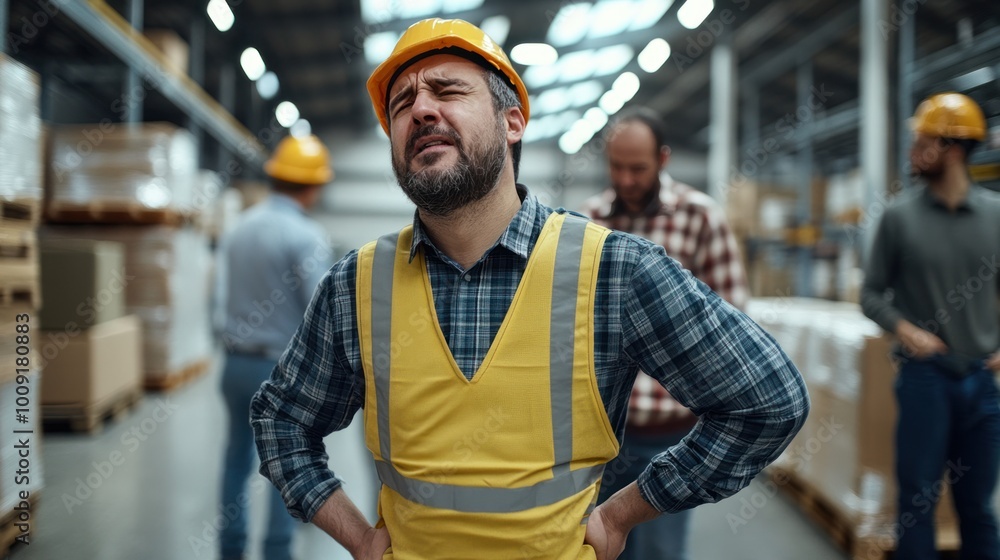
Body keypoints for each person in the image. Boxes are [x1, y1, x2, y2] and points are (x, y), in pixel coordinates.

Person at [250, 18, 808, 560]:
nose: (420, 109)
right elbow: (281, 420)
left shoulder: (613, 272)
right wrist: (358, 537)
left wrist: (626, 511)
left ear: (512, 121)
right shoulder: (357, 285)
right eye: (401, 105)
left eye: (447, 90)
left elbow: (768, 401)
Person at [582, 108, 749, 560]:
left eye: (638, 168)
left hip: (668, 436)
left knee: (658, 550)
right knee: (594, 547)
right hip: (600, 434)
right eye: (617, 166)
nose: (627, 179)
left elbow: (731, 322)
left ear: (664, 159)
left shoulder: (699, 218)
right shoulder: (591, 220)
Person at [861, 92, 1000, 559]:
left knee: (979, 507)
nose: (911, 151)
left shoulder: (996, 216)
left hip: (982, 382)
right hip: (926, 380)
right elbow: (871, 293)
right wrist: (907, 331)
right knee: (917, 503)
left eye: (921, 142)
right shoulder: (899, 219)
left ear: (953, 149)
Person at [217, 134, 334, 560]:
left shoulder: (239, 227)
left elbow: (217, 298)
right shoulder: (306, 236)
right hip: (280, 372)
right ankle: (277, 551)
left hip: (233, 364)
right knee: (287, 465)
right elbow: (318, 312)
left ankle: (230, 549)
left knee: (235, 459)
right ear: (313, 186)